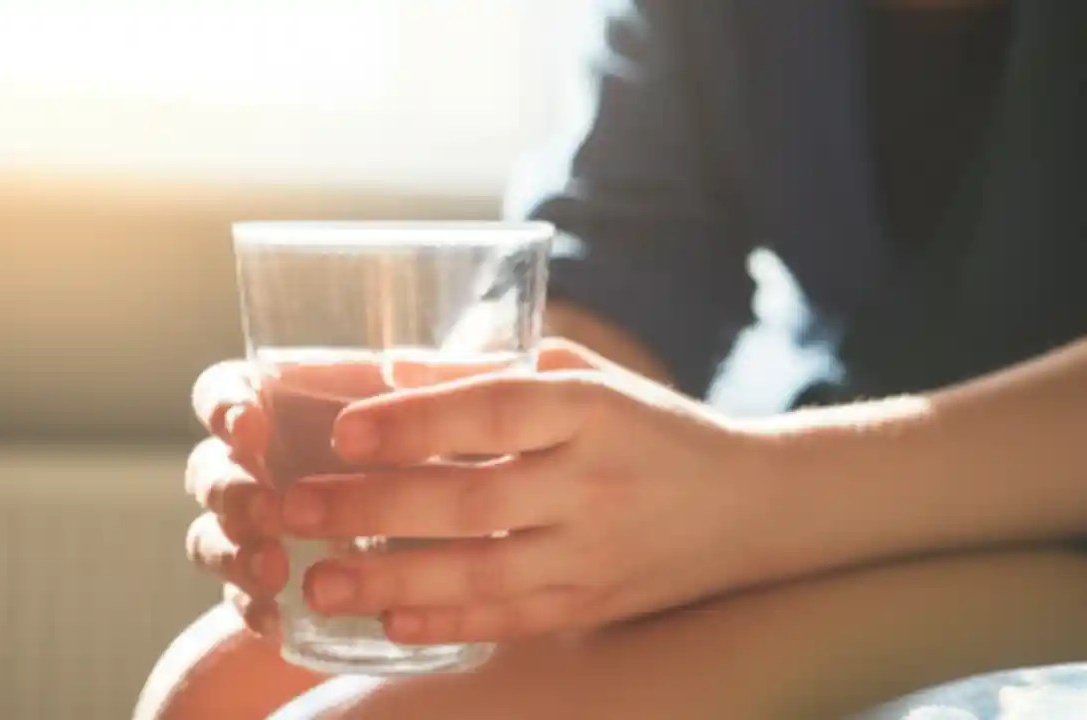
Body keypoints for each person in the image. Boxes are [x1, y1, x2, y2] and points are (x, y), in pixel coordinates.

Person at [137, 0, 1086, 716]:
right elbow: (626, 261)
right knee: (219, 689)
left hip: (1029, 524)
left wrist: (750, 499)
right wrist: (464, 461)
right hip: (805, 489)